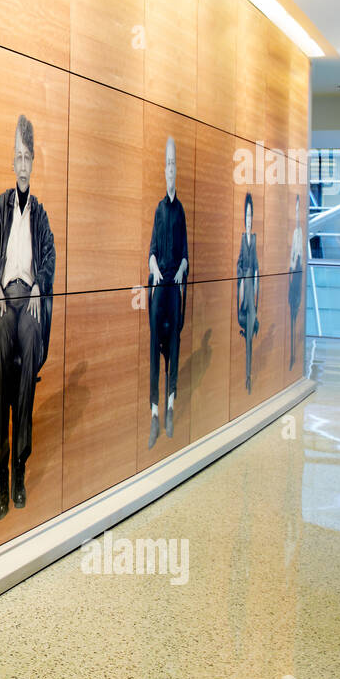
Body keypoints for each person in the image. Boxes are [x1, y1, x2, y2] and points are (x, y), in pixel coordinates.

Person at [0, 115, 56, 520]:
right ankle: (2, 478)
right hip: (5, 298)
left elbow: (50, 257)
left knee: (29, 349)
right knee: (1, 344)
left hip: (31, 299)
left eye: (28, 158)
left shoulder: (40, 214)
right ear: (11, 161)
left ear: (34, 162)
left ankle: (20, 468)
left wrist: (40, 283)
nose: (23, 165)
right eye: (18, 157)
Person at [146, 136, 188, 448]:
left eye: (174, 164)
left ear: (177, 170)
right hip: (160, 284)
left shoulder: (180, 211)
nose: (171, 169)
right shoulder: (159, 210)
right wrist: (154, 268)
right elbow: (150, 251)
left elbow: (186, 254)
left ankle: (171, 405)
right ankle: (154, 413)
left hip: (175, 285)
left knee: (174, 340)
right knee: (153, 344)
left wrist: (182, 269)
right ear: (164, 170)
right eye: (168, 164)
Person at [236, 192, 259, 394]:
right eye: (247, 215)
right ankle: (247, 375)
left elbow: (257, 265)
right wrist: (242, 279)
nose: (249, 219)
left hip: (253, 288)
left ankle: (249, 375)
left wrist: (256, 277)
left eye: (251, 215)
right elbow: (239, 264)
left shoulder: (255, 239)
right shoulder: (243, 238)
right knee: (246, 328)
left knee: (251, 332)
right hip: (245, 285)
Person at [288, 194, 303, 370]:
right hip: (294, 276)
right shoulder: (295, 233)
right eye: (297, 210)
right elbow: (293, 256)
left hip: (298, 276)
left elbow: (300, 256)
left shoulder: (300, 232)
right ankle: (292, 354)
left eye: (300, 210)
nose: (298, 214)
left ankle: (294, 354)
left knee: (296, 311)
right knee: (292, 312)